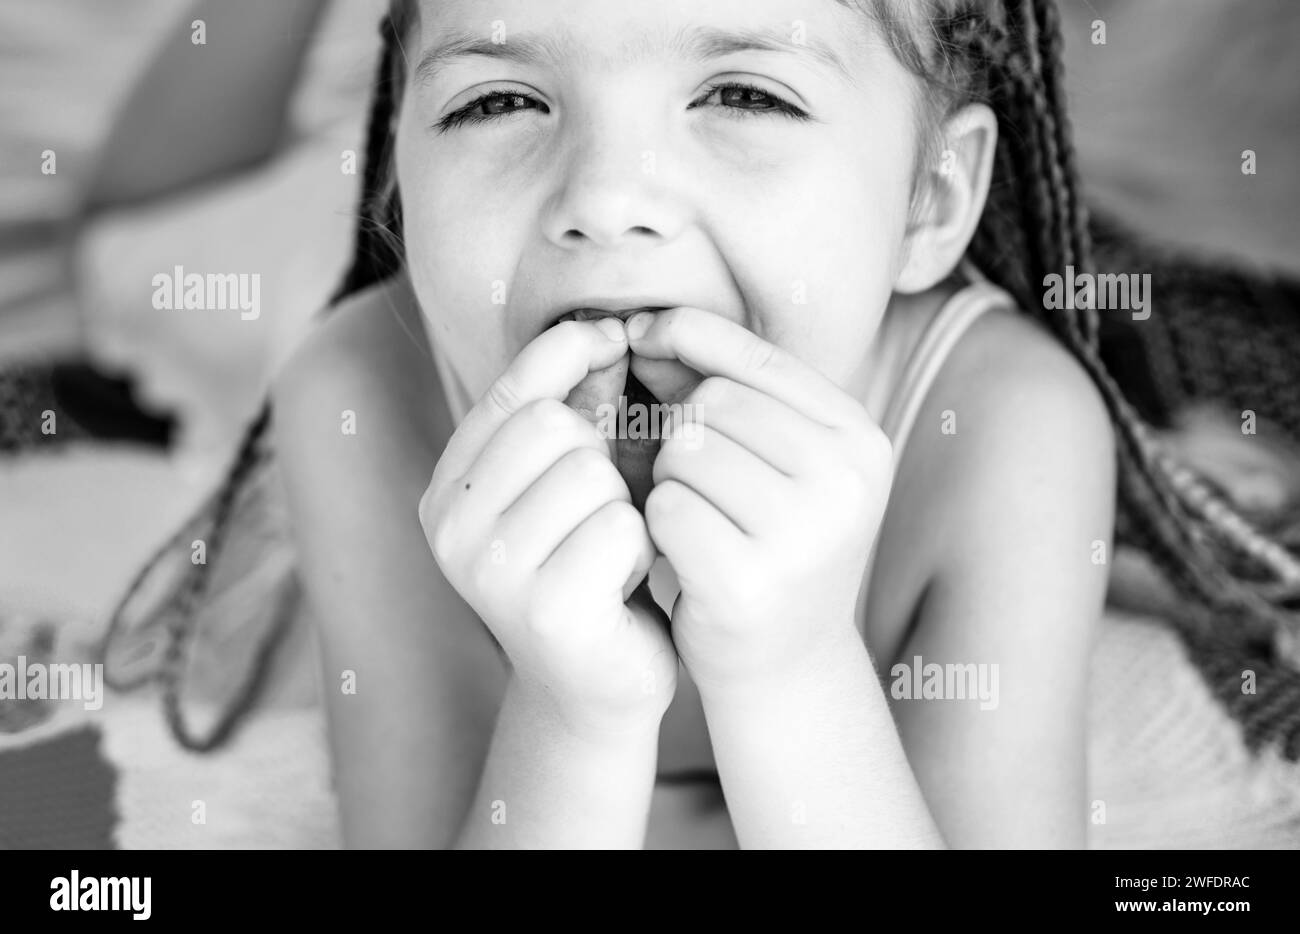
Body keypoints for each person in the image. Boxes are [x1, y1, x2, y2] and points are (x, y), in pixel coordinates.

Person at [145, 0, 1300, 847]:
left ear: (931, 199)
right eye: (496, 100)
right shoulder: (358, 401)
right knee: (164, 266)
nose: (605, 198)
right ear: (397, 175)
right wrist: (571, 710)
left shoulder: (1004, 429)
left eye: (744, 94)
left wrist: (792, 669)